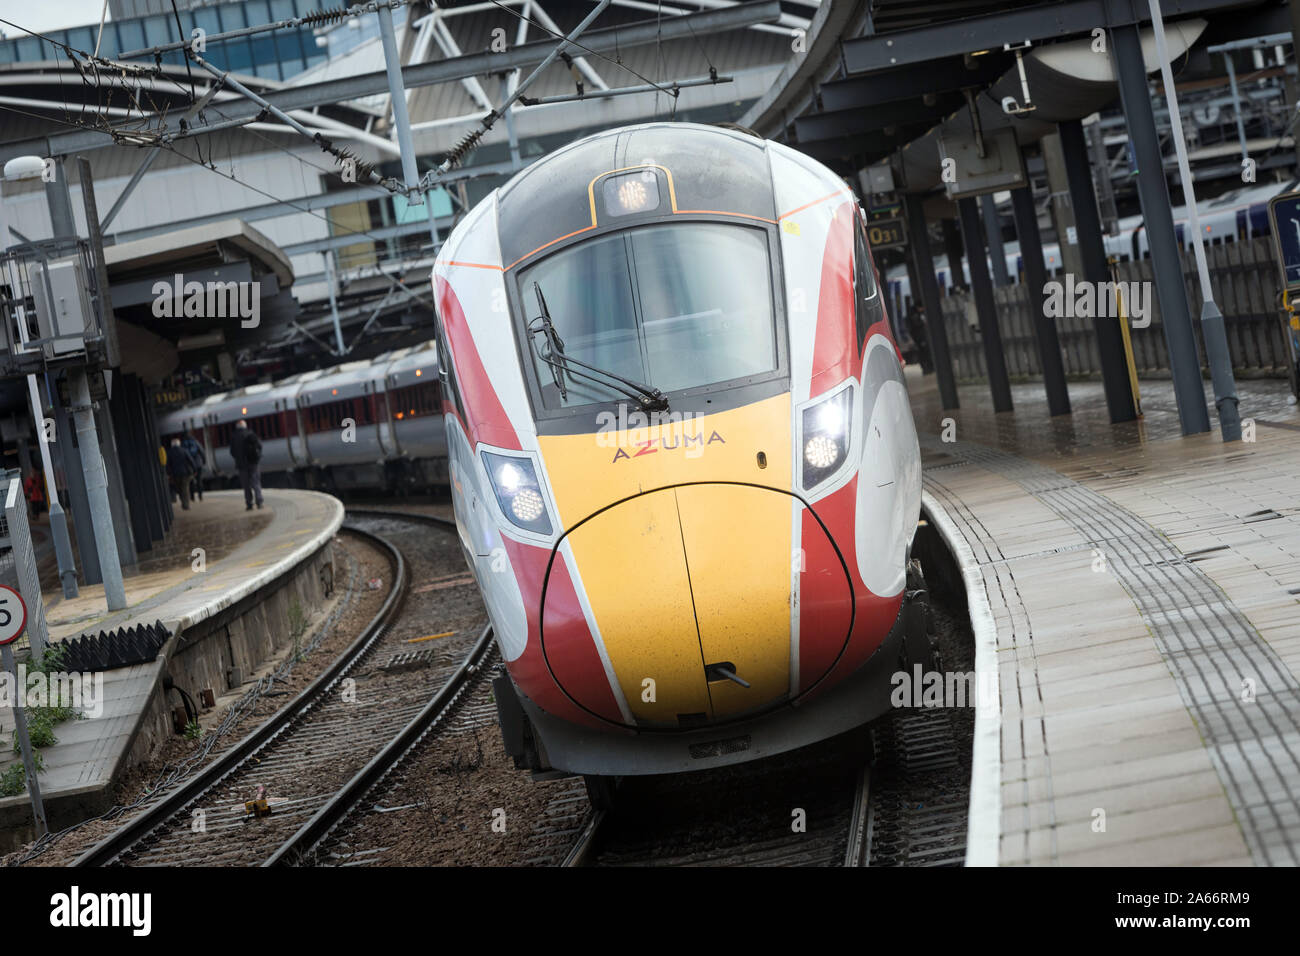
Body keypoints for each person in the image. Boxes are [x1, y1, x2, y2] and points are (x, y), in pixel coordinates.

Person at [229, 420, 264, 511]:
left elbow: (232, 452)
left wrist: (239, 458)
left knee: (246, 485)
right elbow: (260, 446)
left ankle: (249, 503)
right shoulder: (251, 433)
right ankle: (259, 502)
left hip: (241, 465)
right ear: (245, 426)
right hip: (253, 463)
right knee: (256, 482)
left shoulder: (234, 436)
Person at [167, 437, 195, 510]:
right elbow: (191, 460)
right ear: (179, 444)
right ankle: (186, 505)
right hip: (185, 473)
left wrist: (169, 474)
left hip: (175, 474)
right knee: (185, 489)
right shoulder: (184, 450)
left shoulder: (169, 452)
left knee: (179, 489)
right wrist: (194, 469)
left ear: (172, 445)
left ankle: (184, 503)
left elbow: (168, 465)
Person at [180, 431, 206, 502]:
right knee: (199, 480)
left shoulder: (183, 444)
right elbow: (202, 451)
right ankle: (200, 496)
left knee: (191, 481)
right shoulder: (196, 442)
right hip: (198, 464)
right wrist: (203, 461)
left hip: (189, 465)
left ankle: (192, 497)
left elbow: (182, 456)